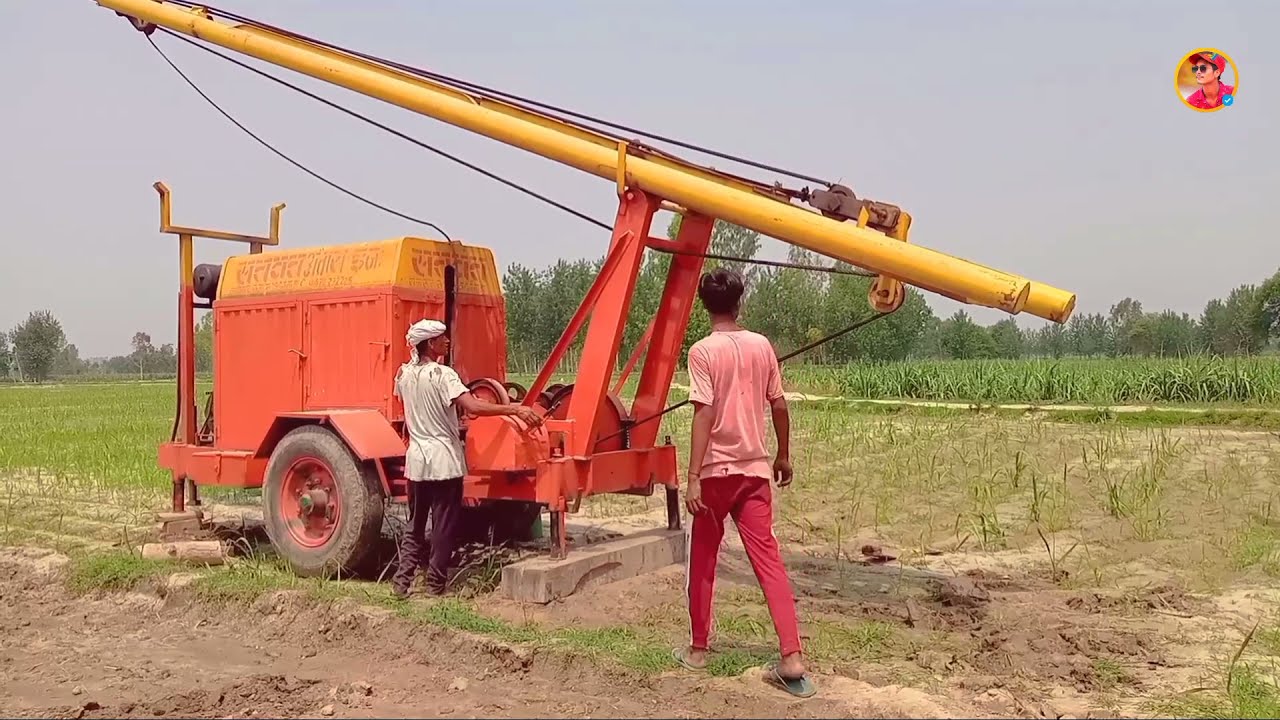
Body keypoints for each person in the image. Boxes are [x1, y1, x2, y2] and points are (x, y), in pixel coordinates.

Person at [675, 268, 814, 698]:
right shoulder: (761, 346)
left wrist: (694, 475)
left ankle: (699, 650)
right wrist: (784, 455)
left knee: (703, 560)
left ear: (705, 305)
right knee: (768, 562)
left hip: (717, 474)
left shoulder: (702, 352)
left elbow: (704, 413)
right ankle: (791, 656)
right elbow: (779, 404)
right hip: (755, 471)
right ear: (739, 303)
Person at [391, 319, 542, 598]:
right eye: (442, 338)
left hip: (417, 461)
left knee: (414, 524)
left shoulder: (404, 375)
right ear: (430, 344)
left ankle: (402, 584)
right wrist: (514, 410)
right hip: (443, 460)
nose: (447, 342)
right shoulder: (443, 374)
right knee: (444, 525)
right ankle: (435, 585)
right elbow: (472, 406)